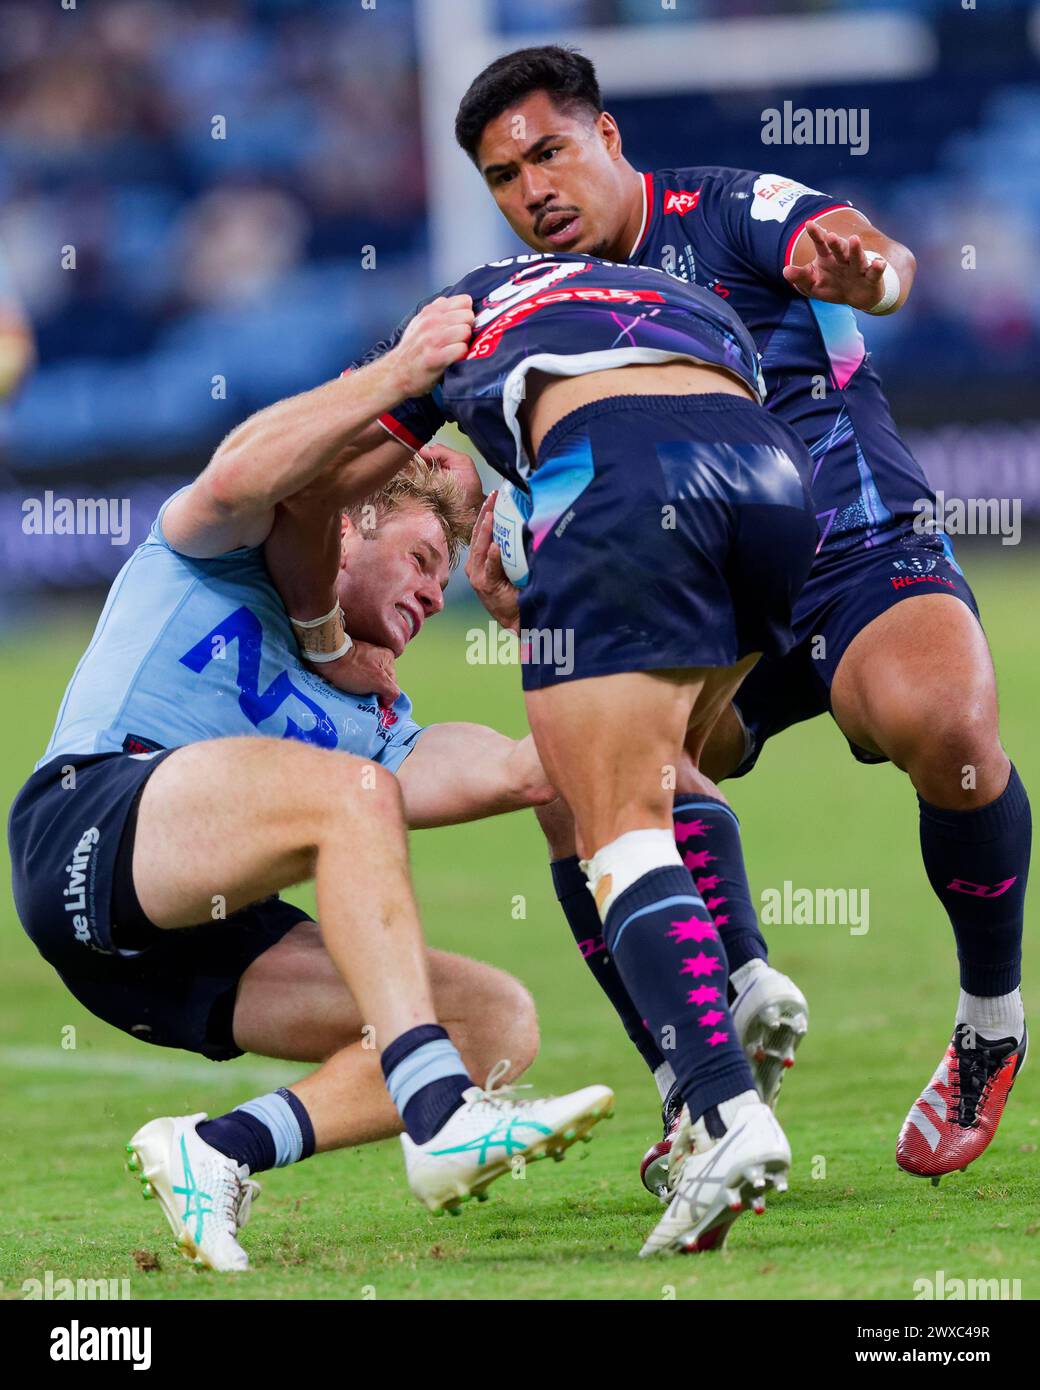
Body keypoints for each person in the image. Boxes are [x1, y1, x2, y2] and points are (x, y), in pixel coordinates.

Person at [452, 45, 1031, 1186]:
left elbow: (864, 254)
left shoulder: (721, 209)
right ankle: (696, 1080)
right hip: (698, 600)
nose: (534, 191)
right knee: (573, 787)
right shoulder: (528, 309)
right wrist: (525, 587)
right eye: (504, 177)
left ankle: (988, 1023)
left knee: (946, 728)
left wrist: (873, 277)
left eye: (548, 153)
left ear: (607, 139)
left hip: (851, 550)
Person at [7, 297, 613, 1273]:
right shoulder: (218, 548)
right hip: (86, 829)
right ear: (353, 520)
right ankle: (440, 1117)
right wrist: (406, 377)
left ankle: (217, 1151)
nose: (428, 593)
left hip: (163, 958)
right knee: (352, 795)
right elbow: (261, 473)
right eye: (420, 559)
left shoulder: (371, 721)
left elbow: (534, 769)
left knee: (495, 1022)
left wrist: (525, 628)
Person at [267, 249, 819, 1256]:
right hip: (772, 475)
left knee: (613, 822)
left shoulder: (459, 315)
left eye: (440, 567)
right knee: (637, 767)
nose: (437, 600)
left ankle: (725, 1110)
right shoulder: (665, 289)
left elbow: (297, 491)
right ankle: (732, 984)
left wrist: (326, 641)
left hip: (619, 474)